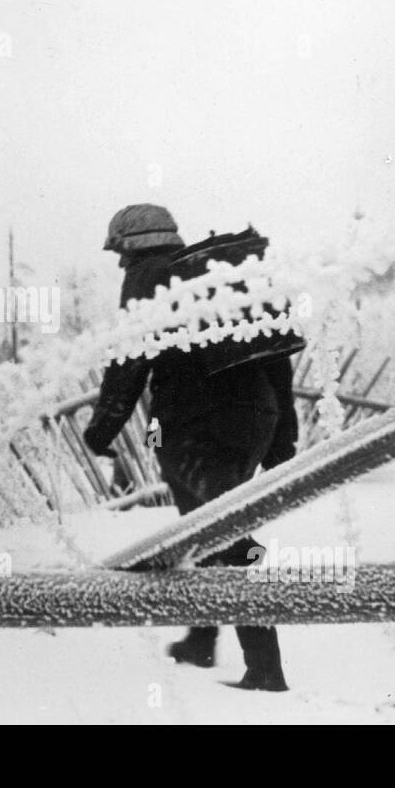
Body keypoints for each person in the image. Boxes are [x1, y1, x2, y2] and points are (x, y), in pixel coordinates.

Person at [82, 203, 298, 691]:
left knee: (225, 530)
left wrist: (102, 428)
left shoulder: (147, 275)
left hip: (195, 422)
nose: (118, 262)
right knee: (202, 528)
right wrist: (281, 433)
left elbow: (130, 355)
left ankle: (266, 667)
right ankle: (201, 640)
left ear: (130, 243)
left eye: (117, 250)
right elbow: (273, 353)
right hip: (251, 416)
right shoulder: (219, 272)